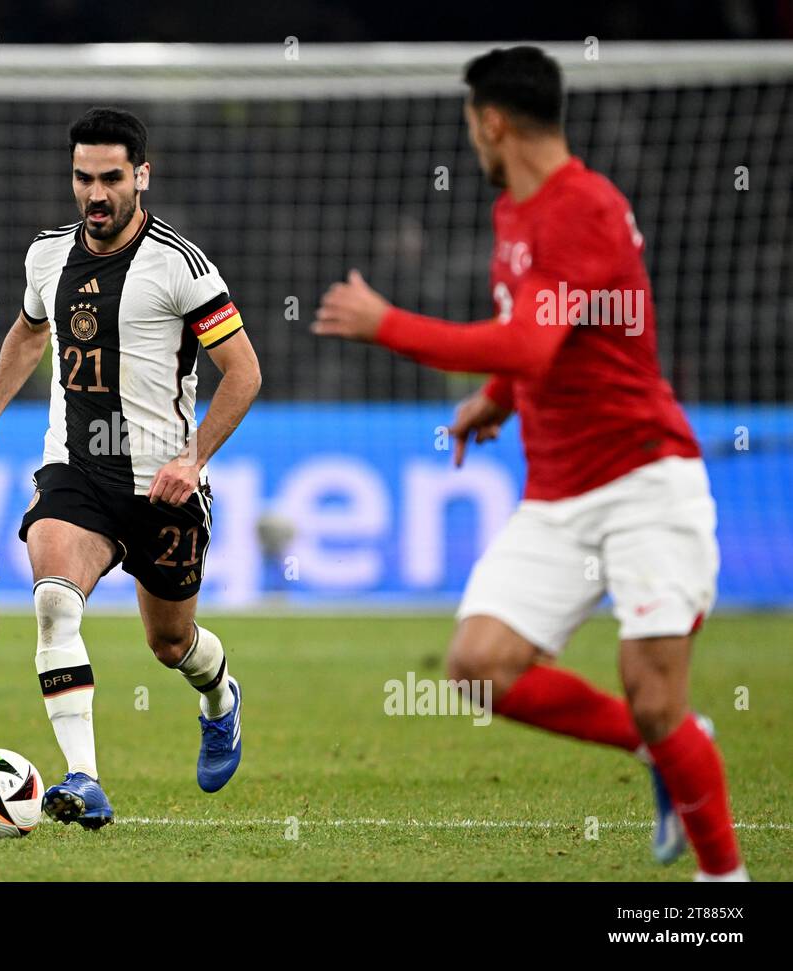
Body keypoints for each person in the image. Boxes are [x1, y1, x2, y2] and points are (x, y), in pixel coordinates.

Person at [312, 46, 746, 881]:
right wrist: (499, 398)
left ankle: (724, 885)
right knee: (477, 666)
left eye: (470, 122)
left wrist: (387, 321)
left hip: (645, 480)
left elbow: (529, 340)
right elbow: (550, 344)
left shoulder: (582, 206)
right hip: (558, 495)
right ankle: (666, 749)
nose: (469, 137)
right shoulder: (516, 210)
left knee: (656, 693)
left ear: (492, 120)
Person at [0, 108, 262, 829]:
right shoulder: (46, 255)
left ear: (141, 177)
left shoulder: (182, 266)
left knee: (171, 645)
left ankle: (221, 698)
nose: (95, 194)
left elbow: (244, 372)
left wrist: (194, 460)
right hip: (76, 471)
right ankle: (83, 778)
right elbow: (29, 333)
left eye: (111, 179)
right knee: (54, 603)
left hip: (166, 485)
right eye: (82, 178)